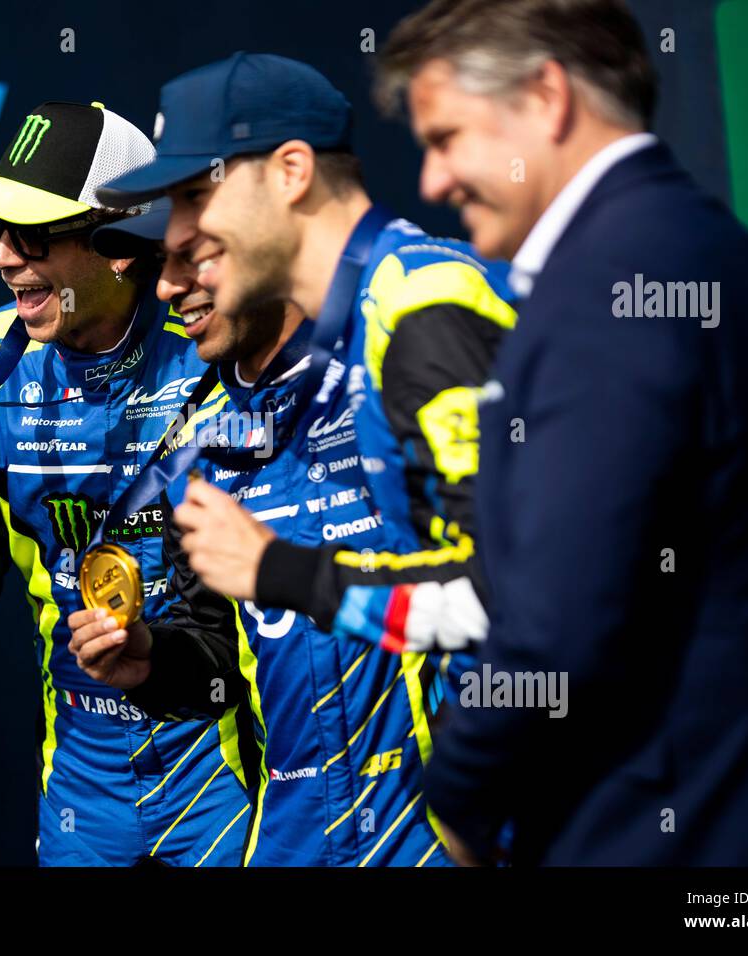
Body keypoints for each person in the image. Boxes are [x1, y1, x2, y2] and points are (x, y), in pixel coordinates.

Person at [376, 0, 748, 865]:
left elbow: (556, 620)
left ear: (546, 98)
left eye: (447, 137)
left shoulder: (610, 290)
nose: (431, 181)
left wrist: (455, 792)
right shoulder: (700, 248)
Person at [73, 53, 514, 865]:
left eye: (196, 204)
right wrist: (150, 665)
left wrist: (283, 571)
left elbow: (522, 599)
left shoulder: (417, 310)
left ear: (291, 171)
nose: (172, 263)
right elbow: (220, 658)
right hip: (298, 844)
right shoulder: (201, 436)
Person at [0, 101, 251, 867]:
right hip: (83, 779)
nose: (2, 259)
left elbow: (257, 614)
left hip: (227, 766)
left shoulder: (217, 354)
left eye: (32, 235)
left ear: (117, 244)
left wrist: (153, 659)